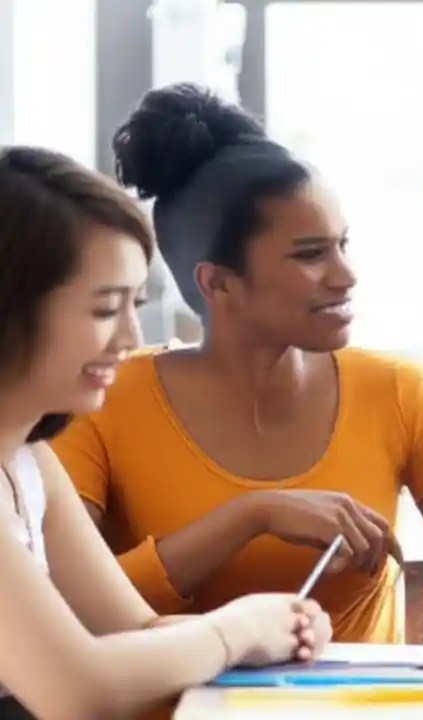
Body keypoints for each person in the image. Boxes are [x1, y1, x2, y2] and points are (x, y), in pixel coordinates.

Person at [49, 83, 423, 652]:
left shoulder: (400, 393)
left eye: (342, 245)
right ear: (217, 283)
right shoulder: (101, 399)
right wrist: (252, 515)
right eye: (310, 254)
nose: (345, 275)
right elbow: (67, 615)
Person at [0, 145, 330, 719]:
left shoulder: (28, 459)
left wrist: (275, 626)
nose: (130, 336)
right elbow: (80, 691)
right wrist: (235, 630)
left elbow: (136, 628)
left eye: (136, 305)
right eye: (106, 309)